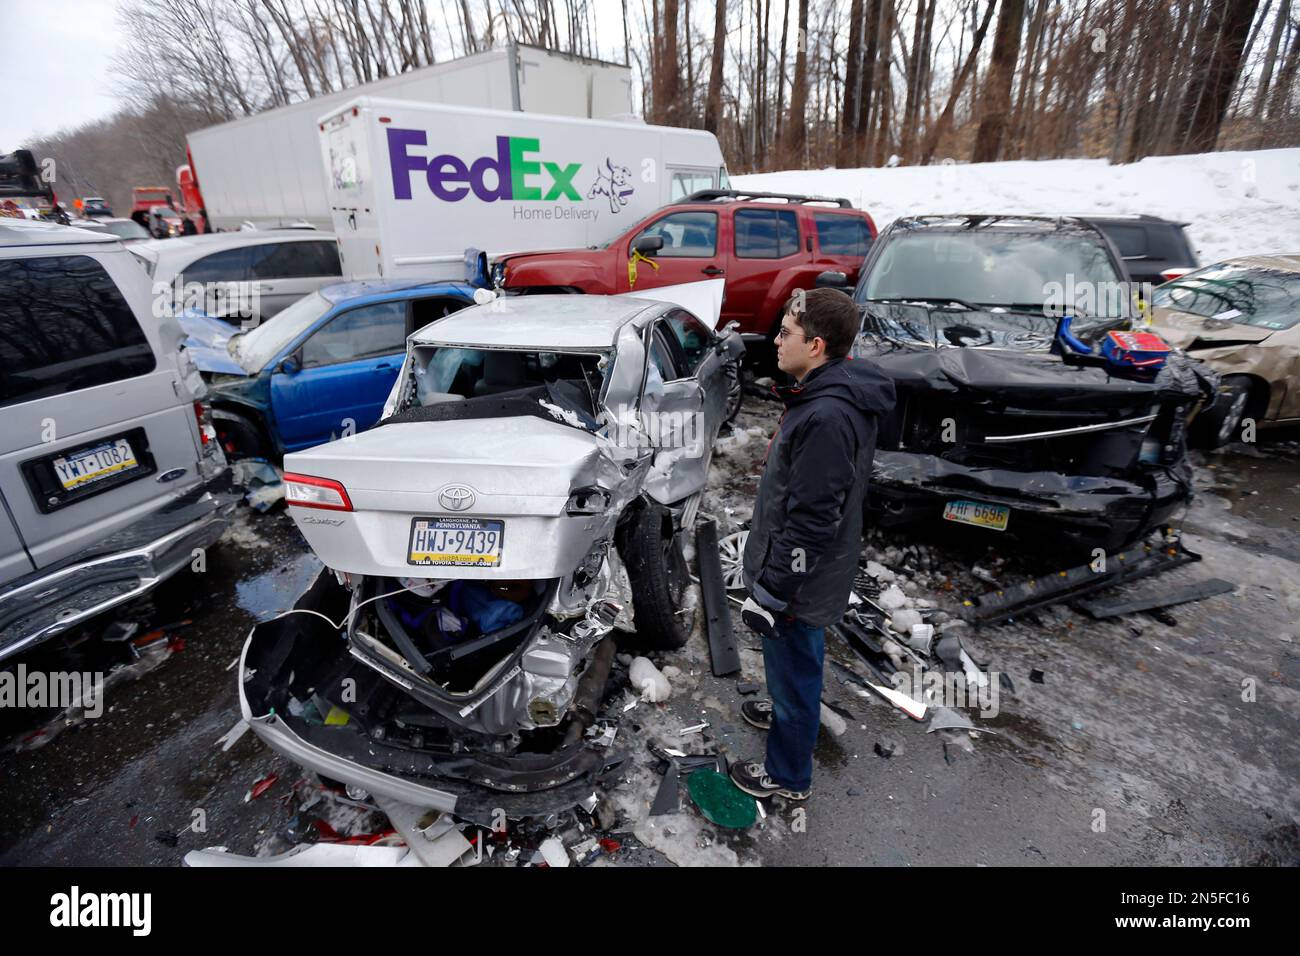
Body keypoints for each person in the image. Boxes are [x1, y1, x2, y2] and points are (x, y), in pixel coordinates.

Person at [730, 287, 895, 800]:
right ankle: (786, 717)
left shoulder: (826, 416)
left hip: (800, 579)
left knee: (795, 670)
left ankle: (786, 775)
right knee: (794, 663)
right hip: (807, 572)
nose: (776, 341)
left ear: (817, 345)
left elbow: (811, 521)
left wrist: (773, 592)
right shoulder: (828, 392)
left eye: (786, 334)